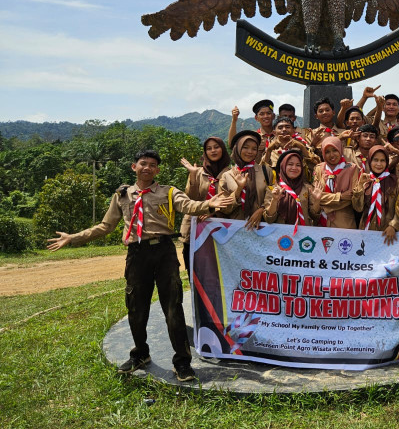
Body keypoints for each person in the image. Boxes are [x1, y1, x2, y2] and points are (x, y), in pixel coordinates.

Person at [47, 150, 235, 382]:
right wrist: (73, 237)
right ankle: (140, 354)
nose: (147, 168)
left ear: (157, 170)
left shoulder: (168, 192)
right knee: (136, 308)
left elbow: (188, 205)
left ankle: (182, 362)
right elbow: (105, 226)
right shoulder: (122, 195)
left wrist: (209, 204)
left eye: (152, 165)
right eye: (143, 164)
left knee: (173, 309)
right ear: (133, 167)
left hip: (164, 252)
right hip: (137, 255)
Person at [177, 136, 231, 275]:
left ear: (223, 149)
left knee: (218, 272)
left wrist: (212, 211)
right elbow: (190, 199)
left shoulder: (231, 173)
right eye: (209, 148)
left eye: (216, 147)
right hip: (194, 226)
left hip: (220, 228)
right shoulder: (198, 172)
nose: (213, 151)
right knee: (194, 271)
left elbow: (232, 199)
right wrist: (193, 176)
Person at [217, 130, 275, 228]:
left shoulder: (266, 171)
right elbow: (223, 208)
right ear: (237, 148)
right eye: (245, 147)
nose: (250, 152)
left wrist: (262, 210)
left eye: (254, 149)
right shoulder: (227, 176)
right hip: (234, 229)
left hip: (261, 228)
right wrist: (239, 189)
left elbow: (272, 197)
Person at [351, 146, 399, 244]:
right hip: (365, 232)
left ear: (387, 162)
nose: (379, 164)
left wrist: (394, 225)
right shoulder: (365, 180)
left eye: (382, 160)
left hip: (388, 234)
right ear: (370, 161)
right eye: (375, 160)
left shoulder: (395, 181)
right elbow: (358, 208)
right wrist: (360, 186)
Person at [263, 149, 321, 232]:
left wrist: (317, 201)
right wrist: (274, 200)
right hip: (279, 236)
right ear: (283, 167)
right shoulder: (273, 189)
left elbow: (315, 216)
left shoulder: (308, 189)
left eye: (298, 165)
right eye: (290, 164)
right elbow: (269, 219)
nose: (294, 168)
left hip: (303, 235)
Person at [311, 136, 359, 229]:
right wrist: (340, 197)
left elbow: (352, 196)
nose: (332, 155)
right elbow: (315, 195)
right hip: (322, 223)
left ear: (340, 150)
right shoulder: (318, 169)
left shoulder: (352, 168)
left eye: (335, 150)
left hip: (344, 224)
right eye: (327, 152)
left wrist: (324, 201)